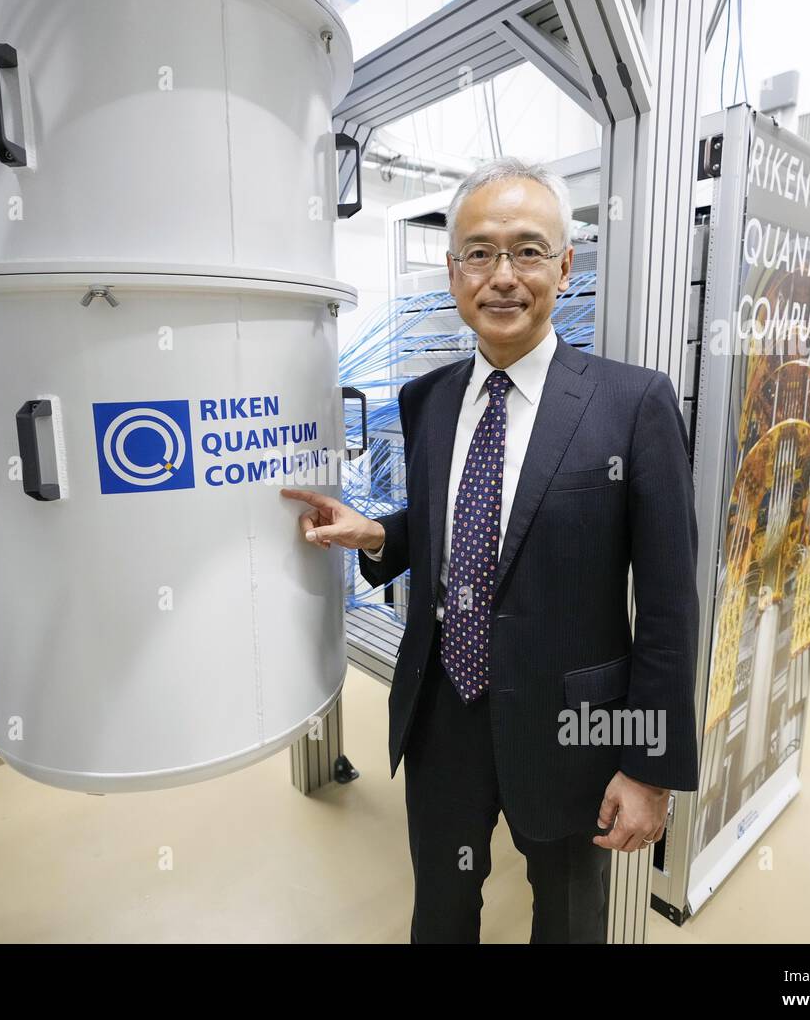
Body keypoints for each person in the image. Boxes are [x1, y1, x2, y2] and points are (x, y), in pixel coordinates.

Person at [281, 156, 700, 944]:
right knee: (441, 913)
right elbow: (465, 526)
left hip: (577, 730)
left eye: (528, 250)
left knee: (570, 924)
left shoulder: (632, 403)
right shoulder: (428, 400)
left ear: (566, 265)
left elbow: (672, 606)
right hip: (444, 715)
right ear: (452, 272)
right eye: (479, 252)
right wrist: (380, 533)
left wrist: (650, 766)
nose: (502, 275)